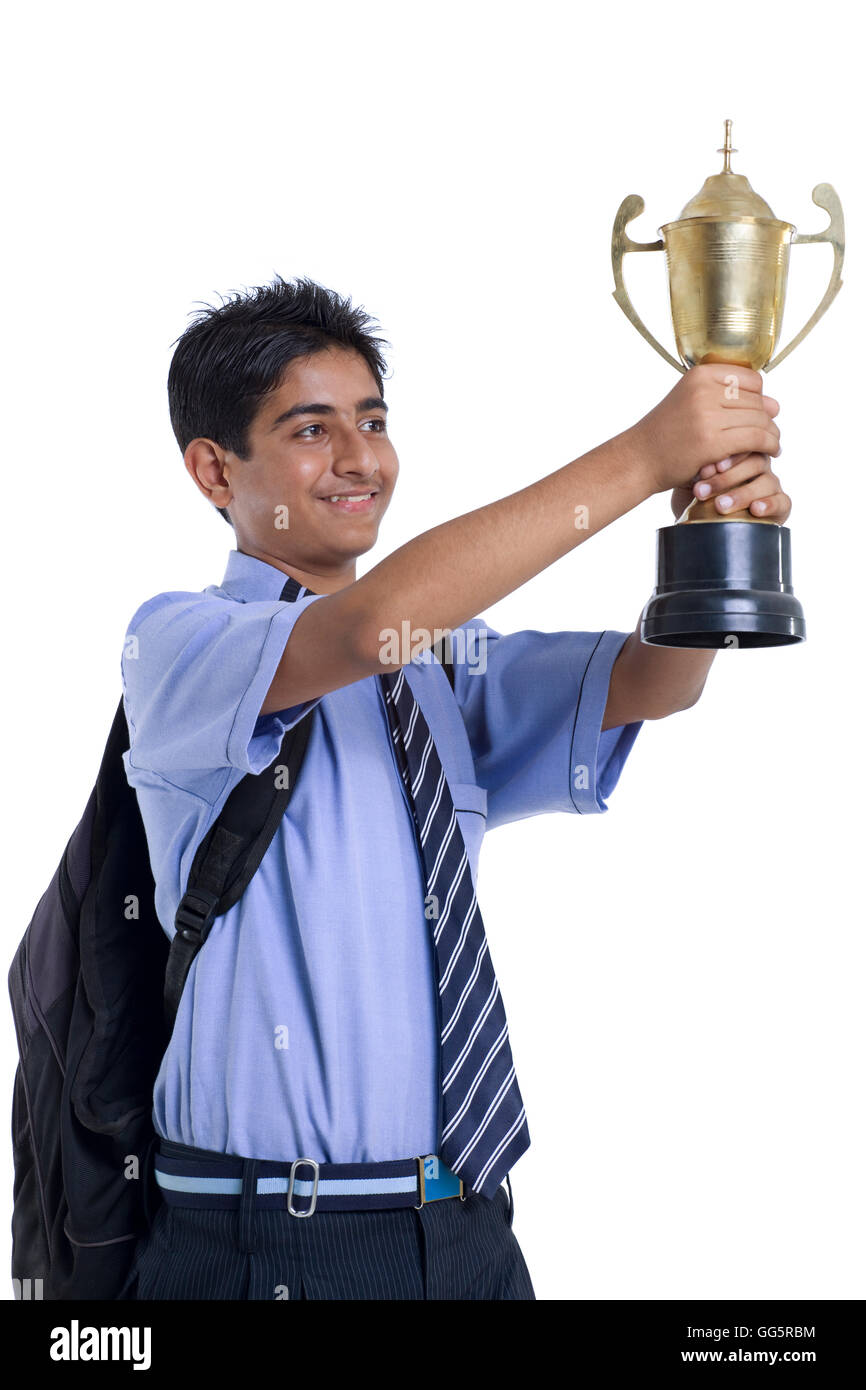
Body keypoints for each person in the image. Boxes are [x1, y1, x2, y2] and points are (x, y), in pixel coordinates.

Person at [117, 275, 786, 1300]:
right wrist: (644, 452)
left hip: (466, 1224)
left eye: (372, 421)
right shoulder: (181, 644)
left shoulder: (439, 670)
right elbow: (365, 623)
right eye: (310, 429)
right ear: (214, 469)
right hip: (277, 1242)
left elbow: (652, 682)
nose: (358, 459)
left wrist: (705, 530)